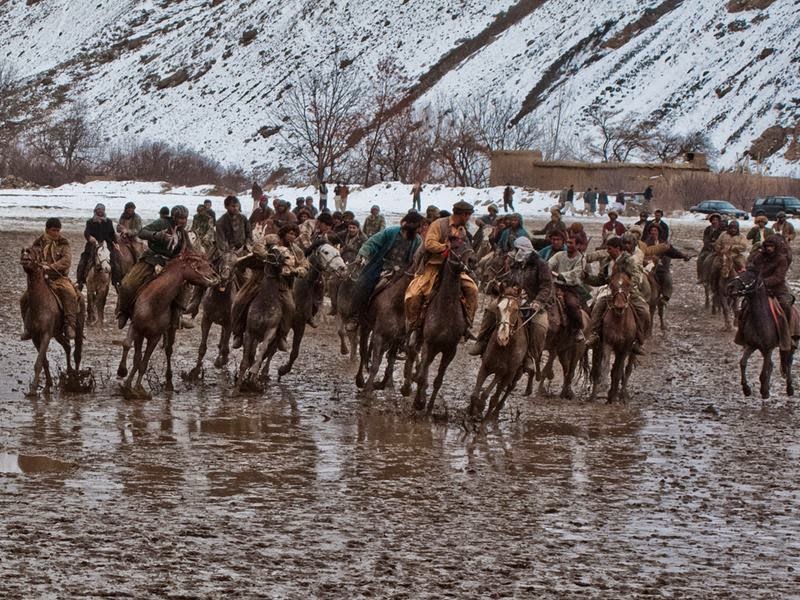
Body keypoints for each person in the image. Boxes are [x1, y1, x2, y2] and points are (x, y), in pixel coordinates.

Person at [404, 201, 479, 347]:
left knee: (473, 290)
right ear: (462, 214)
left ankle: (466, 325)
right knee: (413, 294)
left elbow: (468, 249)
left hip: (455, 269)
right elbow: (429, 244)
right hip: (434, 266)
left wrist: (468, 253)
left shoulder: (463, 230)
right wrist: (446, 247)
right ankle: (414, 328)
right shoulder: (439, 224)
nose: (469, 218)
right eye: (468, 215)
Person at [468, 236, 553, 357]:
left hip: (533, 300)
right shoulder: (516, 263)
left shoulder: (540, 265)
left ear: (523, 250)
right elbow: (510, 280)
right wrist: (501, 286)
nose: (514, 252)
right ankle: (481, 341)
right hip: (514, 298)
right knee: (491, 309)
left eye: (516, 249)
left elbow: (546, 285)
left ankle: (531, 356)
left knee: (540, 327)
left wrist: (538, 301)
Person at [231, 223, 308, 351]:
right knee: (239, 300)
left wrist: (296, 271)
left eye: (295, 234)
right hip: (260, 278)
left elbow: (305, 265)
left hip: (282, 283)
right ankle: (238, 333)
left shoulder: (296, 250)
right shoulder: (270, 239)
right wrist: (271, 257)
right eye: (290, 233)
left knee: (290, 306)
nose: (292, 236)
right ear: (284, 233)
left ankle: (282, 335)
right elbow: (257, 248)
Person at [116, 205, 192, 329]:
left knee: (185, 287)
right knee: (128, 285)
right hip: (152, 259)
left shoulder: (182, 233)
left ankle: (177, 316)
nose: (183, 221)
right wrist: (158, 235)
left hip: (171, 265)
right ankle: (124, 312)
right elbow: (142, 232)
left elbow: (190, 249)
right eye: (181, 218)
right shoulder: (162, 223)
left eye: (185, 218)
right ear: (174, 217)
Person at [347, 212, 423, 320]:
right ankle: (355, 316)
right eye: (417, 228)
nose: (419, 231)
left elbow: (417, 257)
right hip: (382, 267)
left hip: (404, 272)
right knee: (363, 285)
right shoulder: (391, 232)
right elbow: (372, 242)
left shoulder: (417, 240)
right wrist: (363, 254)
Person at [584, 237, 650, 354]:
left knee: (644, 311)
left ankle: (639, 340)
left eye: (609, 249)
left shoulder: (630, 261)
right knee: (597, 306)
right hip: (610, 291)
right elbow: (601, 279)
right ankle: (594, 334)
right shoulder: (607, 261)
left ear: (617, 249)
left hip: (628, 291)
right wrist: (586, 277)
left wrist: (623, 286)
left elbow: (636, 277)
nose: (608, 251)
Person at [21, 218, 80, 340]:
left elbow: (66, 260)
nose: (56, 233)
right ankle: (27, 327)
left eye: (58, 230)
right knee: (24, 299)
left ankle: (70, 325)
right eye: (54, 230)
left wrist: (51, 266)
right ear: (47, 229)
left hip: (59, 278)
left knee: (70, 293)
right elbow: (32, 257)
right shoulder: (38, 243)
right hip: (41, 279)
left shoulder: (64, 243)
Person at [746, 234, 796, 350]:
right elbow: (752, 268)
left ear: (776, 247)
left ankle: (788, 335)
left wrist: (763, 282)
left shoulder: (781, 259)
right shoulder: (759, 257)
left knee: (785, 305)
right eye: (767, 246)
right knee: (745, 306)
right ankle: (744, 335)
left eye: (771, 246)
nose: (769, 248)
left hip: (777, 290)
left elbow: (778, 277)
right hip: (758, 289)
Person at [548, 235, 586, 341]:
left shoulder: (581, 259)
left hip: (571, 288)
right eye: (567, 243)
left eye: (571, 243)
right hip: (556, 285)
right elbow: (550, 263)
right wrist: (546, 268)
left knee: (572, 305)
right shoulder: (559, 255)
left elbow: (575, 273)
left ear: (578, 245)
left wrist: (560, 275)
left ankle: (577, 329)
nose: (568, 245)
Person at [77, 203, 122, 291]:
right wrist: (90, 238)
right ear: (95, 211)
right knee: (83, 260)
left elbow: (112, 234)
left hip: (106, 245)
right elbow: (87, 233)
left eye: (102, 209)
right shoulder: (90, 222)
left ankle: (116, 281)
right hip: (93, 245)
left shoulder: (108, 222)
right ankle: (80, 282)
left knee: (115, 262)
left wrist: (115, 243)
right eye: (99, 209)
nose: (100, 211)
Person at [698, 213, 726, 282]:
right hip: (708, 248)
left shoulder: (723, 229)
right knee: (701, 259)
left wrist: (718, 246)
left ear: (719, 221)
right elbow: (705, 239)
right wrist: (710, 245)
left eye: (716, 220)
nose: (715, 221)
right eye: (713, 220)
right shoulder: (708, 229)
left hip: (721, 249)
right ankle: (701, 276)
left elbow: (724, 240)